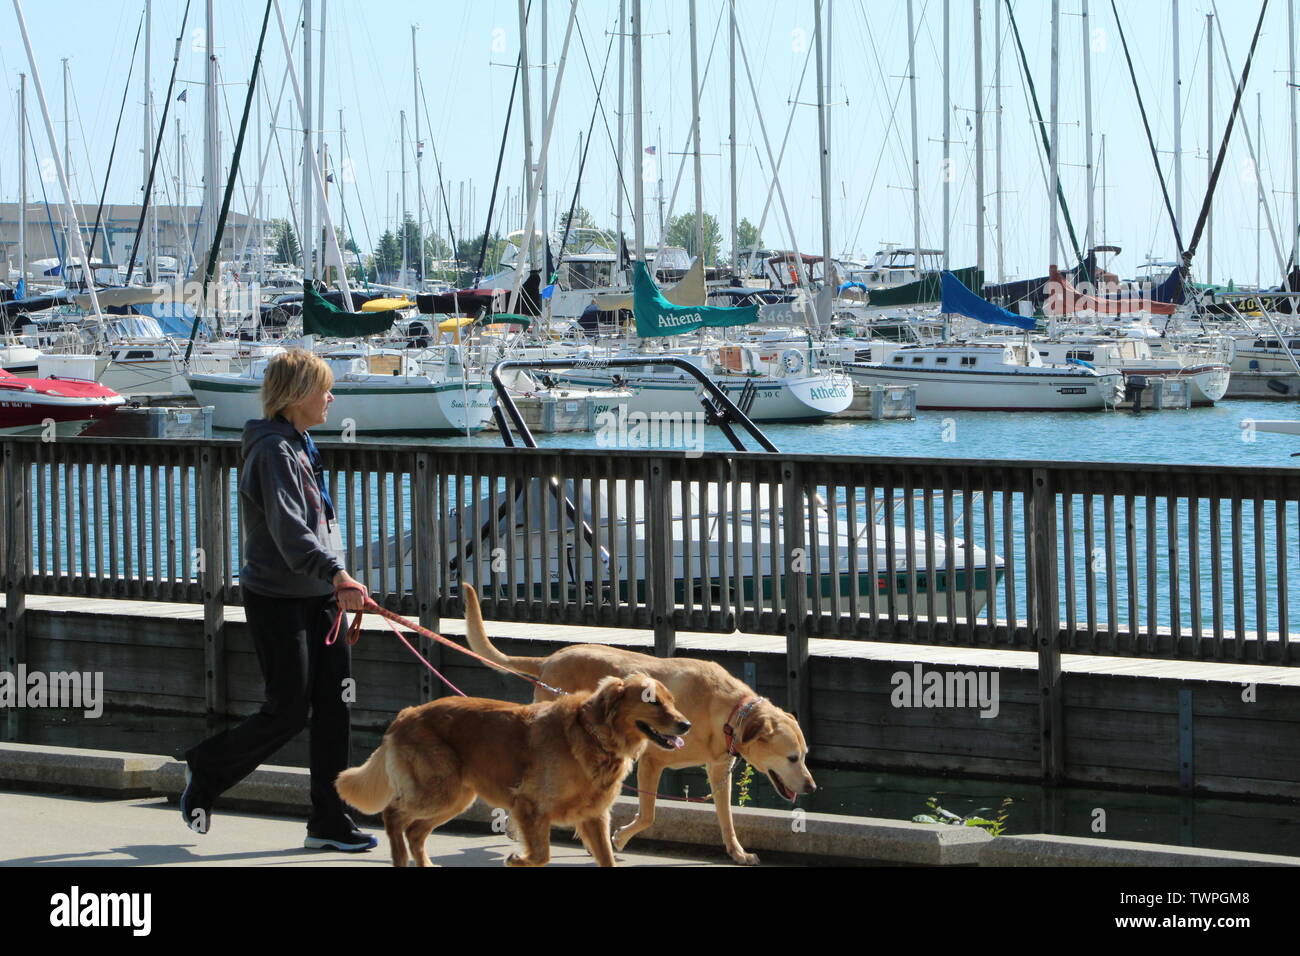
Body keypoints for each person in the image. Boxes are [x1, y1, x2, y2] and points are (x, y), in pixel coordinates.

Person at [180, 349, 376, 851]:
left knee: (336, 707)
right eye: (324, 389)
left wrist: (335, 581)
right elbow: (290, 532)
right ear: (295, 396)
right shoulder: (271, 450)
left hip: (320, 596)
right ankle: (206, 768)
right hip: (278, 597)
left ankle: (329, 821)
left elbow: (316, 524)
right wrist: (336, 573)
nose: (332, 397)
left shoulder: (301, 441)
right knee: (288, 709)